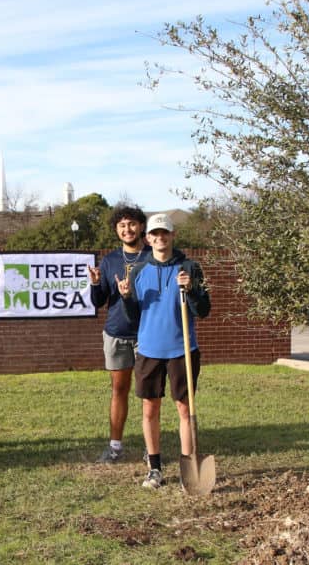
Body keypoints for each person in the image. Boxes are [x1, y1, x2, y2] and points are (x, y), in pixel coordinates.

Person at [120, 213, 210, 489]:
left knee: (184, 408)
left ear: (172, 236)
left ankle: (188, 466)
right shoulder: (138, 271)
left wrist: (191, 290)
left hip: (182, 349)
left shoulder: (189, 267)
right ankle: (155, 467)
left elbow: (204, 310)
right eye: (155, 234)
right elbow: (133, 316)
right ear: (148, 238)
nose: (160, 238)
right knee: (150, 408)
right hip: (149, 349)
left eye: (165, 233)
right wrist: (125, 298)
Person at [87, 204, 151, 463]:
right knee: (119, 390)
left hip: (147, 333)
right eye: (122, 225)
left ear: (141, 227)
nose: (128, 229)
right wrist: (94, 284)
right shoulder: (110, 260)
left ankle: (152, 449)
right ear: (116, 230)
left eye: (132, 223)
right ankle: (115, 447)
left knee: (149, 392)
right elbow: (98, 301)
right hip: (116, 333)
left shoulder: (152, 256)